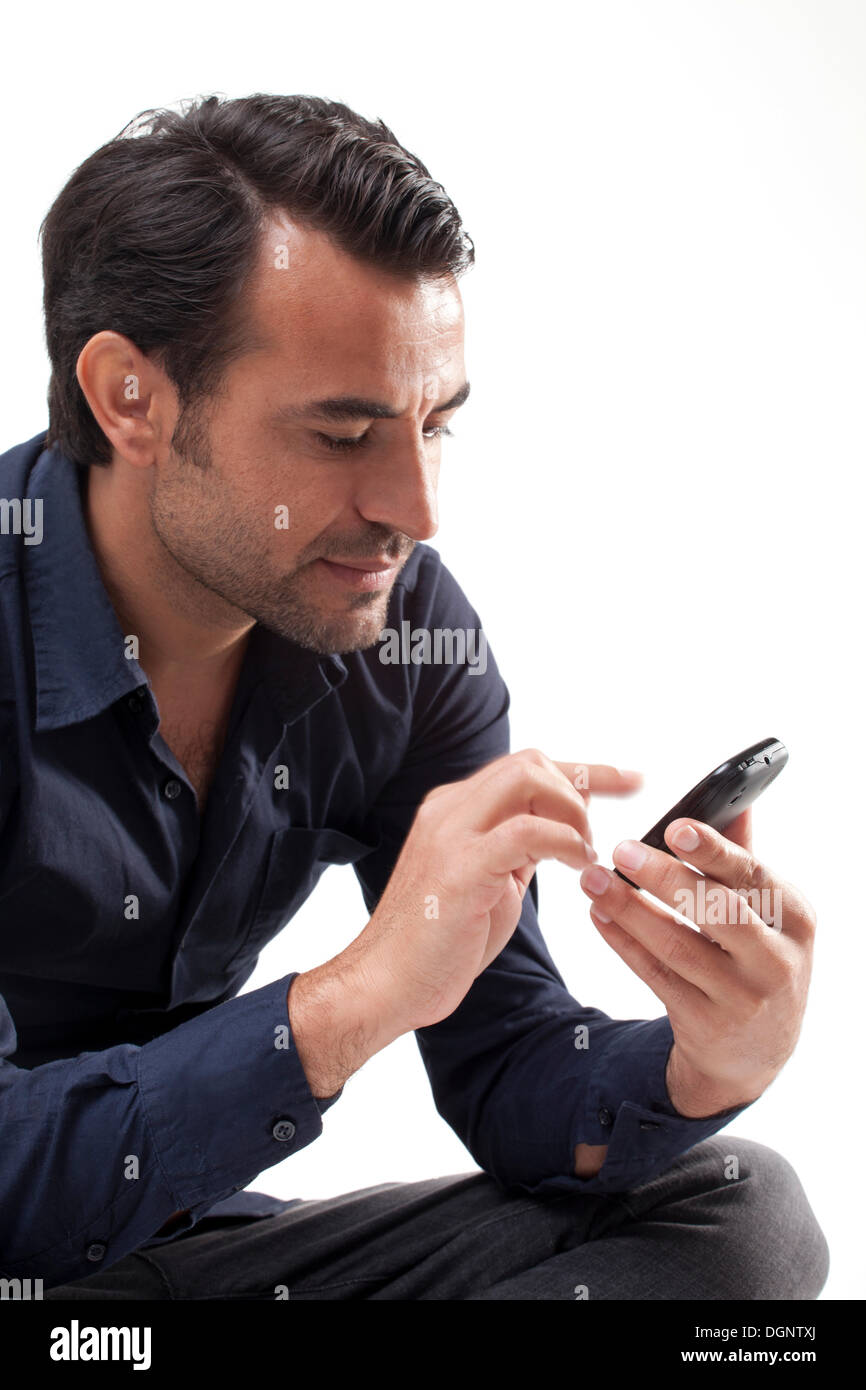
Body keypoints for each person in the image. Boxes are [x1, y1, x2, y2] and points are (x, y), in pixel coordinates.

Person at [0, 94, 828, 1300]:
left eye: (436, 424)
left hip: (169, 1258)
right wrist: (344, 1003)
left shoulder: (398, 634)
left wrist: (699, 1061)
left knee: (740, 1220)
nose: (417, 506)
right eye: (343, 434)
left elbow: (508, 1066)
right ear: (133, 397)